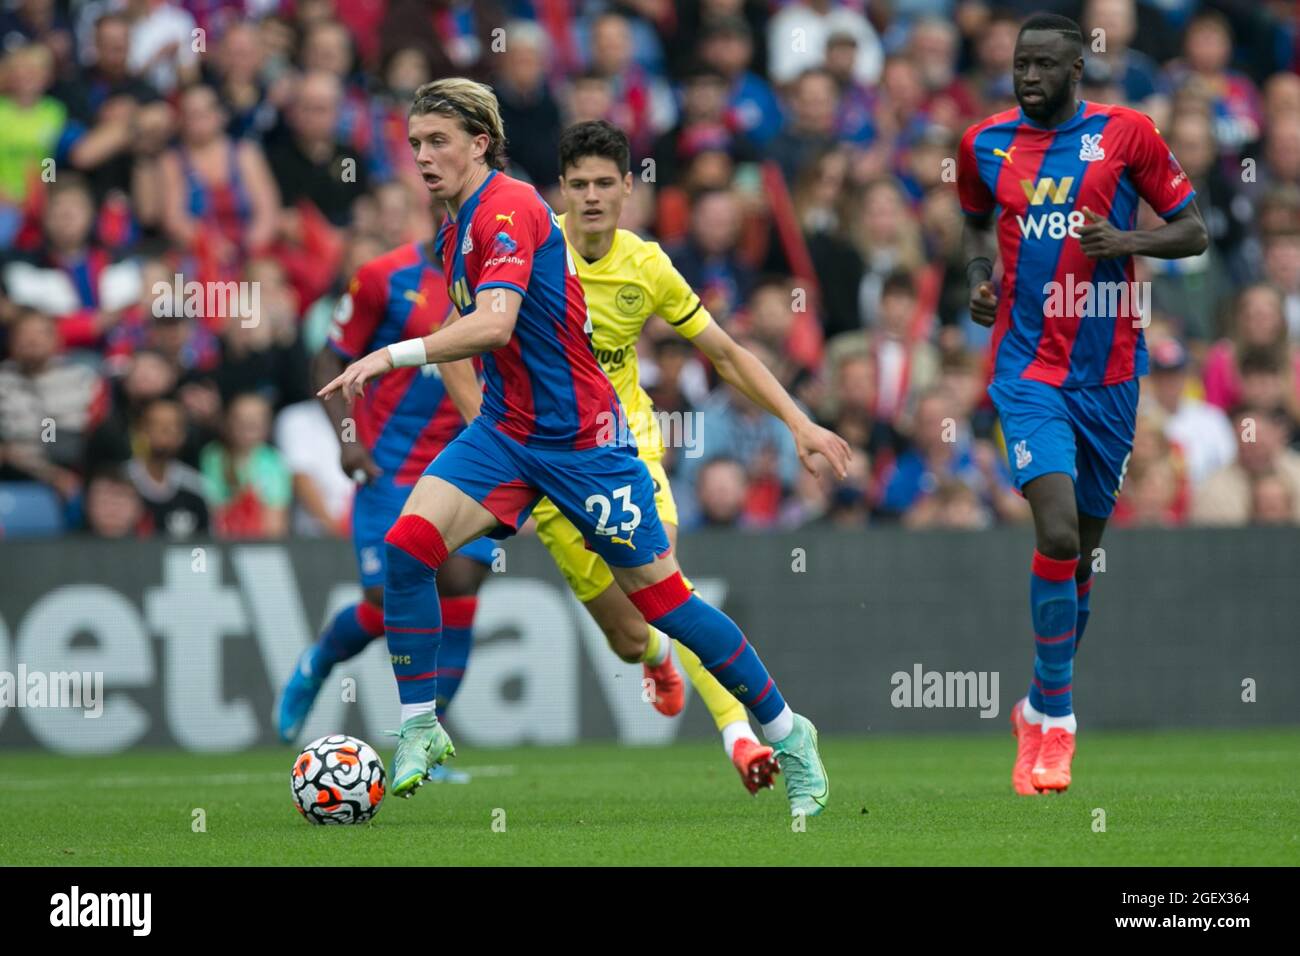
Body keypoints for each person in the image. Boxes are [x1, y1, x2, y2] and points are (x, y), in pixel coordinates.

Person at [320, 79, 848, 816]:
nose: (423, 156)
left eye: (438, 140)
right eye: (414, 144)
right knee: (410, 548)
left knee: (662, 606)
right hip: (508, 434)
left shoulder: (509, 207)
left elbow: (496, 324)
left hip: (585, 444)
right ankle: (420, 727)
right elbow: (467, 344)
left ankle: (790, 735)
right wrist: (474, 420)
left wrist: (388, 355)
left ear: (480, 142)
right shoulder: (453, 231)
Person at [505, 119, 847, 794]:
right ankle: (657, 656)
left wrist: (798, 420)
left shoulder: (648, 266)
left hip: (623, 449)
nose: (594, 197)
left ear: (629, 188)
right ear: (561, 192)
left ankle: (744, 735)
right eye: (580, 185)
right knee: (631, 637)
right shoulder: (533, 255)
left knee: (668, 592)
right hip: (546, 460)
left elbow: (724, 352)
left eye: (606, 183)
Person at [958, 14, 1208, 795]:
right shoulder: (983, 144)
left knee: (1084, 556)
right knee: (1059, 532)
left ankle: (1036, 704)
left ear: (1076, 71)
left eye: (1042, 66)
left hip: (1111, 377)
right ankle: (1061, 723)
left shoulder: (1127, 134)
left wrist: (1128, 245)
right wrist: (979, 277)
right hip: (1027, 373)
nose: (1027, 77)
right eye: (1018, 64)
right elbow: (973, 219)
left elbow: (1193, 229)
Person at [274, 225, 494, 787]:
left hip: (468, 461)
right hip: (390, 465)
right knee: (385, 593)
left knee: (463, 580)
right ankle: (320, 660)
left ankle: (428, 738)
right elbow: (328, 360)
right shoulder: (382, 277)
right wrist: (347, 437)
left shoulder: (506, 281)